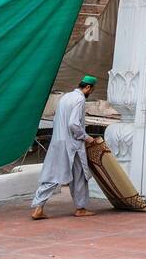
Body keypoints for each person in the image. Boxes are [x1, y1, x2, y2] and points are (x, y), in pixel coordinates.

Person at [31, 76, 100, 220]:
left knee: (53, 175)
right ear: (88, 87)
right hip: (72, 145)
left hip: (59, 142)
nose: (90, 93)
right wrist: (87, 137)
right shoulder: (80, 99)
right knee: (79, 175)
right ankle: (80, 208)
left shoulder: (65, 97)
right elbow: (74, 124)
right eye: (91, 90)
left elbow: (57, 120)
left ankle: (39, 207)